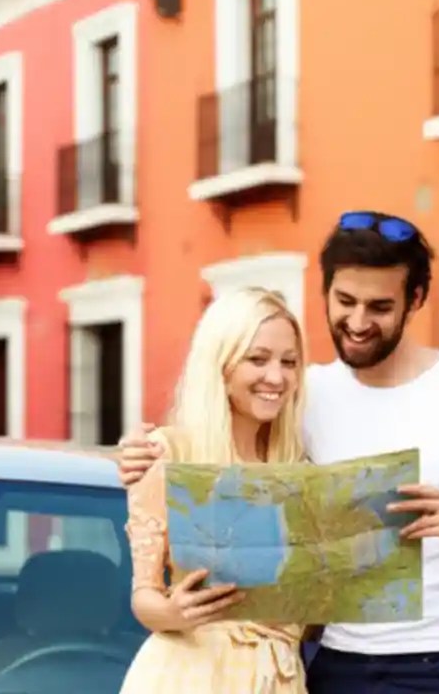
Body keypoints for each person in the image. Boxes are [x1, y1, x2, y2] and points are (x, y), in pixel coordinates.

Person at [117, 210, 439, 693]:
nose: (357, 322)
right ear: (326, 293)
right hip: (335, 663)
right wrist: (140, 453)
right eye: (345, 301)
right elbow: (225, 435)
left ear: (415, 299)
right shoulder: (303, 395)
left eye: (379, 306)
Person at [118, 286, 315, 694]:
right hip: (192, 675)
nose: (276, 377)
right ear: (221, 364)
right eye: (257, 359)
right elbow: (144, 597)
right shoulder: (169, 454)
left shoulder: (300, 471)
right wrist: (175, 611)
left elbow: (312, 619)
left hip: (281, 678)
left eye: (289, 362)